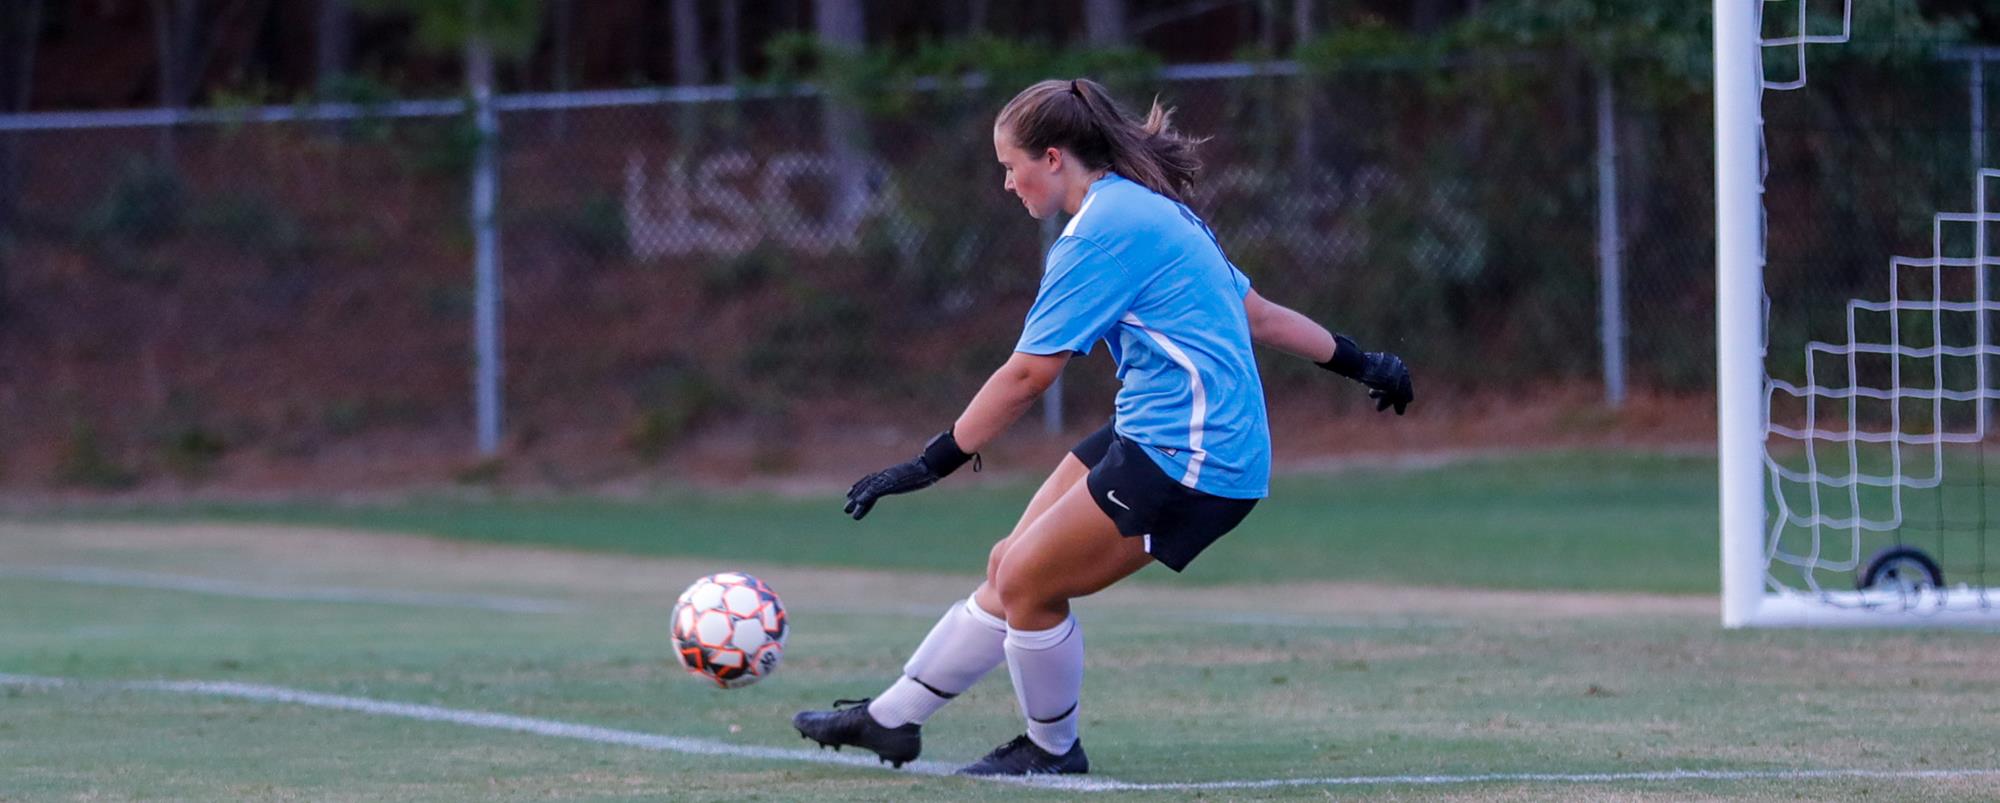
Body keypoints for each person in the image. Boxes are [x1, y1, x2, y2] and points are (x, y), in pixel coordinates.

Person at [792, 77, 1414, 777]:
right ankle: (892, 719)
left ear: (1052, 157)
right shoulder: (1149, 209)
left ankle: (1052, 750)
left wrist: (929, 461)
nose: (1007, 183)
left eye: (1010, 166)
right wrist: (1367, 362)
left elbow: (1029, 375)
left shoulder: (1102, 233)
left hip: (1193, 456)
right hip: (1155, 433)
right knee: (1010, 564)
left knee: (1029, 581)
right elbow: (1258, 314)